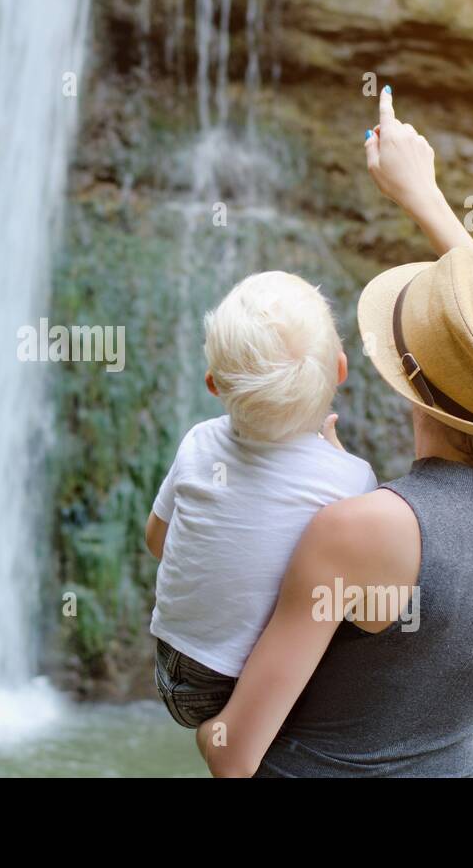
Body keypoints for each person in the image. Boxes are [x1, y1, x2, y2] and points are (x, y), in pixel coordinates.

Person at [196, 86, 473, 777]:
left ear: (401, 370)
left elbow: (232, 754)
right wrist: (427, 200)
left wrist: (199, 705)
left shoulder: (358, 530)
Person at [147, 271, 377, 728]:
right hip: (267, 686)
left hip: (178, 674)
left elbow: (158, 543)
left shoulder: (197, 443)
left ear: (213, 384)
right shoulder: (352, 478)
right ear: (340, 369)